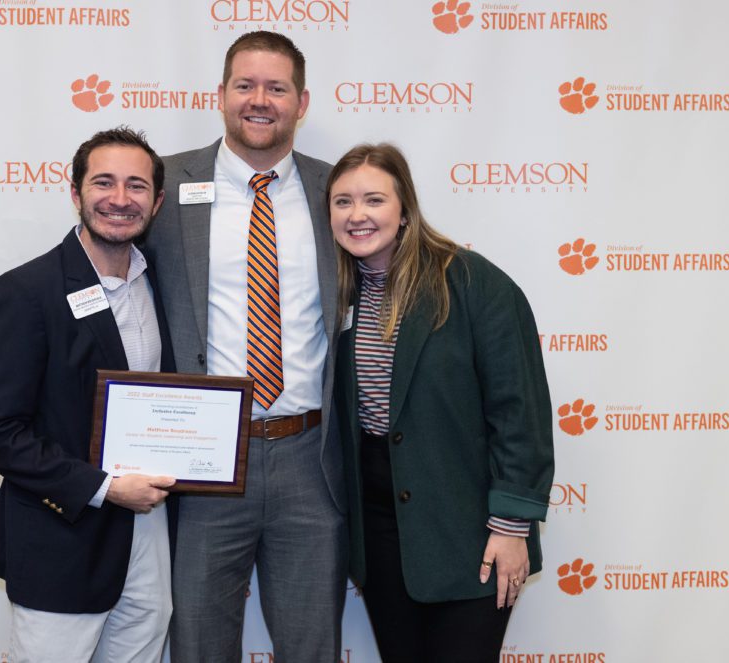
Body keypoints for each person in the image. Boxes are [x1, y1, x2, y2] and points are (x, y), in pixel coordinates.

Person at [144, 31, 347, 663]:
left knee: (313, 647)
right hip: (203, 461)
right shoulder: (164, 184)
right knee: (199, 645)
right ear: (222, 94)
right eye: (246, 85)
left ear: (302, 101)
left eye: (277, 88)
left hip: (309, 460)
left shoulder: (336, 191)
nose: (260, 100)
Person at [327, 143, 554, 662]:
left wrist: (512, 527)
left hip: (470, 530)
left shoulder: (472, 283)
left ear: (404, 209)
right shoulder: (337, 291)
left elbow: (519, 410)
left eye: (373, 200)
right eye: (342, 202)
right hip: (381, 533)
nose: (358, 215)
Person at [0, 127, 178, 663]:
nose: (119, 198)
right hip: (62, 538)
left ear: (156, 201)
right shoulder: (28, 290)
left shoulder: (164, 284)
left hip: (149, 539)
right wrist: (105, 488)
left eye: (136, 186)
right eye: (103, 182)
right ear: (75, 192)